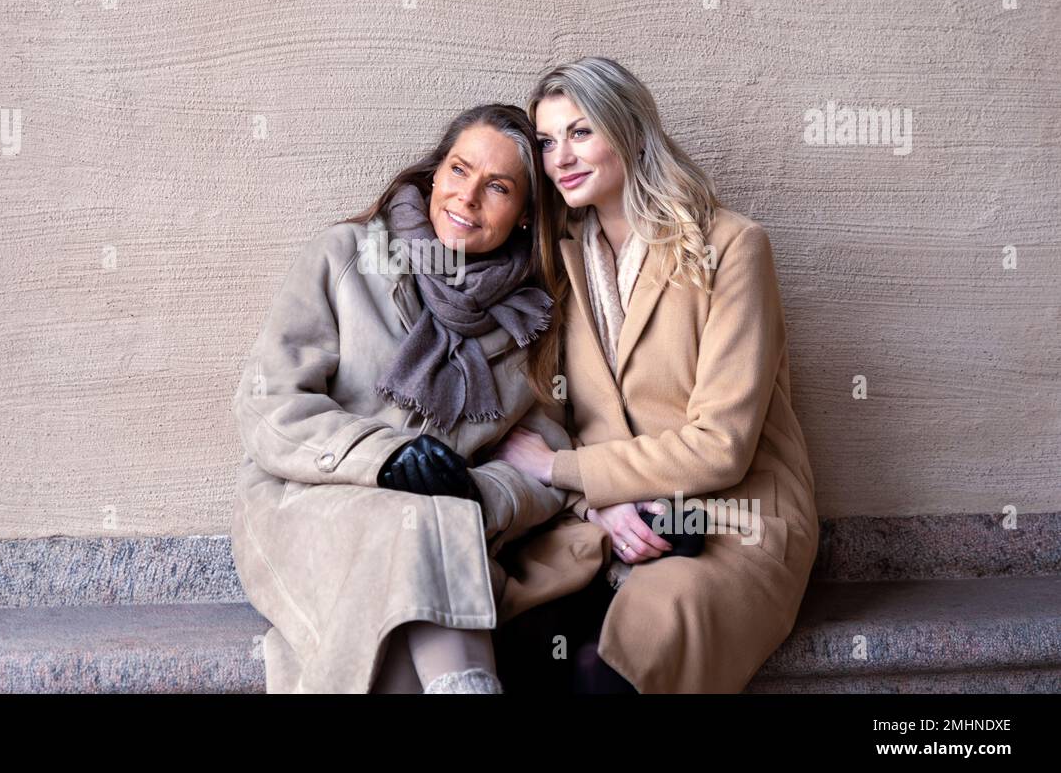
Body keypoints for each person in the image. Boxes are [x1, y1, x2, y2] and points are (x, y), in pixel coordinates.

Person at [230, 103, 607, 693]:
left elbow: (548, 455)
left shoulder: (531, 318)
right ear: (435, 173)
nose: (467, 197)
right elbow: (269, 405)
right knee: (421, 522)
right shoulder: (346, 258)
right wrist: (382, 457)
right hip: (308, 503)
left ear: (527, 213)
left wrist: (479, 492)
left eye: (498, 187)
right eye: (458, 170)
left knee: (421, 545)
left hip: (442, 529)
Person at [490, 57, 820, 693]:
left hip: (731, 522)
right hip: (609, 522)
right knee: (514, 646)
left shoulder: (731, 247)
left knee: (621, 660)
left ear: (631, 130)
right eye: (547, 141)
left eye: (581, 132)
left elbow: (721, 447)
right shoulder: (558, 264)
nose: (561, 156)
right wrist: (596, 505)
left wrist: (561, 471)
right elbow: (562, 418)